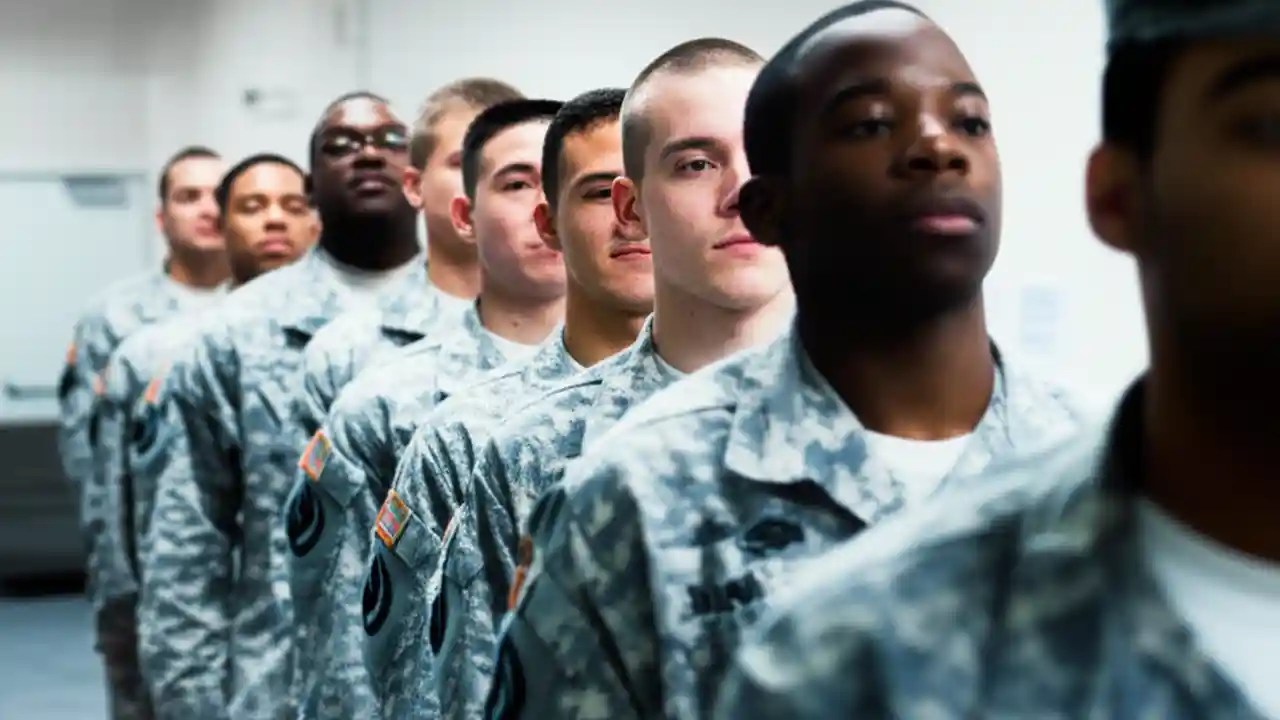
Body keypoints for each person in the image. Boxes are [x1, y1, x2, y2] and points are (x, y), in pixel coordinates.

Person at [490, 5, 1091, 717]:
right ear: (767, 208)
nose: (937, 147)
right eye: (870, 123)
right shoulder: (637, 493)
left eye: (970, 123)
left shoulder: (1100, 464)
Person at [718, 1, 1280, 718]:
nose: (938, 150)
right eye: (1270, 124)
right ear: (1117, 195)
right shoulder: (860, 660)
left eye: (969, 122)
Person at [137, 92, 426, 720]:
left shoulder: (474, 323)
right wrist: (190, 703)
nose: (367, 153)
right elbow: (187, 547)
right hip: (282, 687)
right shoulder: (235, 331)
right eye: (340, 145)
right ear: (313, 190)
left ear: (419, 177)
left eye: (388, 139)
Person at [365, 87, 652, 719]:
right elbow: (415, 678)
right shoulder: (476, 437)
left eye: (654, 185)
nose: (632, 216)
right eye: (603, 193)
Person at [282, 98, 567, 719]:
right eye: (518, 184)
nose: (546, 209)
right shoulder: (384, 399)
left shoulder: (669, 395)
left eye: (568, 184)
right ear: (464, 214)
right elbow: (343, 633)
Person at [88, 153, 315, 720]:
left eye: (293, 205)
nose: (274, 221)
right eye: (253, 205)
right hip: (223, 641)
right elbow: (129, 524)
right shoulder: (164, 350)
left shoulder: (355, 349)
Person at [55, 145, 228, 719]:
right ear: (161, 218)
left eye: (218, 194)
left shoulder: (265, 308)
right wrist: (115, 580)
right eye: (188, 196)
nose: (208, 208)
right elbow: (92, 463)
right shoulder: (117, 316)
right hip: (144, 563)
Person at [297, 78, 525, 439]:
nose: (487, 184)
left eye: (518, 174)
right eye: (465, 163)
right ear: (414, 186)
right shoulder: (348, 350)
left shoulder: (598, 332)